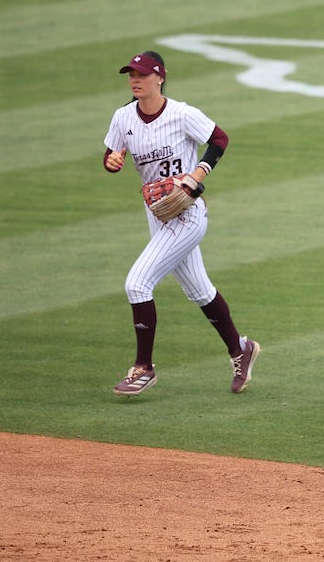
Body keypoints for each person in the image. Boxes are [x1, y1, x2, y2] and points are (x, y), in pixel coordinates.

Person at [102, 51, 260, 396]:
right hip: (157, 214)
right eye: (131, 74)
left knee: (137, 284)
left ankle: (143, 368)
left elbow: (219, 138)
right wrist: (112, 161)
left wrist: (197, 174)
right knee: (199, 290)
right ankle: (241, 349)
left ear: (160, 77)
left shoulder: (181, 114)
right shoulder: (123, 117)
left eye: (142, 74)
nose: (135, 80)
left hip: (187, 213)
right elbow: (111, 154)